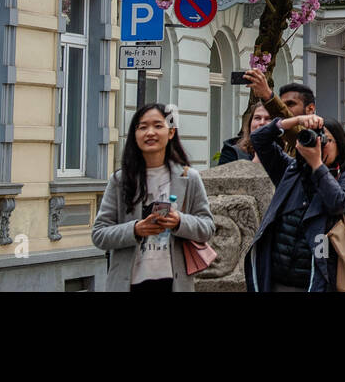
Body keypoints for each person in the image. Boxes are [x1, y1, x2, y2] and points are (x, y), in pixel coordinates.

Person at [92, 102, 215, 292]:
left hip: (174, 282)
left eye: (158, 126)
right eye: (143, 127)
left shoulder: (189, 178)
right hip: (129, 282)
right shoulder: (120, 180)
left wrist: (179, 222)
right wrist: (135, 229)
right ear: (135, 134)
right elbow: (99, 235)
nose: (150, 132)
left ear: (171, 132)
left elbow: (207, 228)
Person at [247, 113, 345, 292]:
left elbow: (339, 202)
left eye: (325, 140)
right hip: (277, 281)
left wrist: (317, 165)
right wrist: (296, 121)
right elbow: (259, 139)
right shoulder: (291, 170)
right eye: (313, 139)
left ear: (340, 145)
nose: (319, 145)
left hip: (317, 282)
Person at [242, 69, 316, 153]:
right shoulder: (282, 142)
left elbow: (296, 133)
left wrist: (267, 94)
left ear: (310, 109)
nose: (285, 109)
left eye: (290, 104)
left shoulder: (316, 138)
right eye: (282, 104)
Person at [218, 100, 270, 165]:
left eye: (268, 118)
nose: (262, 122)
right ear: (249, 124)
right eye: (257, 118)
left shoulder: (284, 151)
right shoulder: (232, 153)